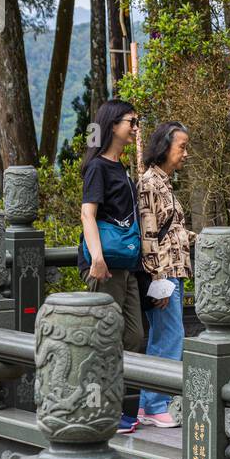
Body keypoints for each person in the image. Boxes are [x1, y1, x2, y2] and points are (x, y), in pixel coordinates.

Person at [79, 98, 146, 435]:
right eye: (131, 122)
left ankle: (121, 406)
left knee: (133, 335)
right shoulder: (98, 168)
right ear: (112, 124)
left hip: (126, 263)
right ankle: (101, 410)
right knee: (104, 337)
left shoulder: (120, 167)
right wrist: (97, 257)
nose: (135, 128)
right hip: (105, 264)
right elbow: (87, 214)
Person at [135, 121, 192, 428]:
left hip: (174, 268)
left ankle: (149, 405)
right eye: (181, 147)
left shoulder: (165, 183)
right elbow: (148, 235)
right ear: (164, 148)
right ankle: (158, 404)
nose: (185, 153)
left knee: (163, 336)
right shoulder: (149, 184)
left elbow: (175, 231)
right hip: (164, 272)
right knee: (171, 335)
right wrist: (156, 278)